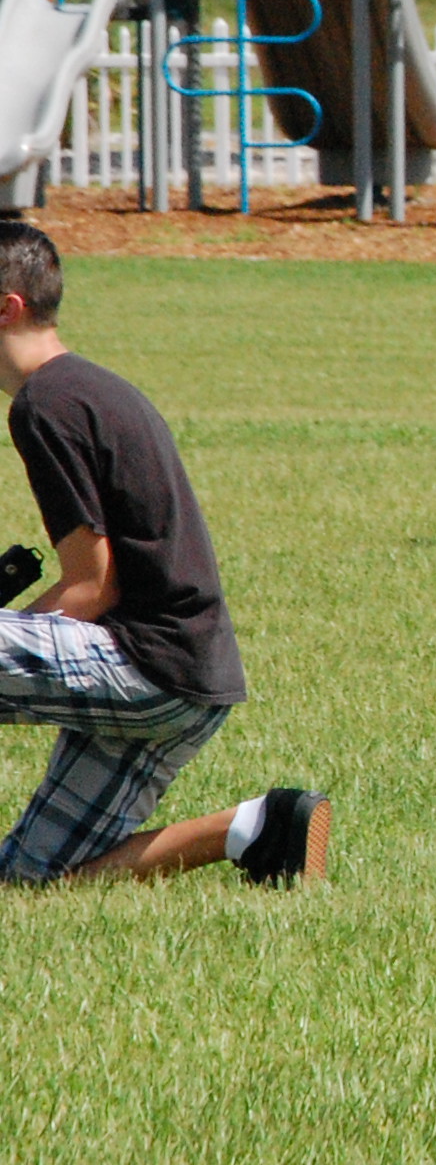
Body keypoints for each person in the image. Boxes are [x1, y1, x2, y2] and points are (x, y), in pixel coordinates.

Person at [0, 221, 326, 887]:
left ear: (8, 307)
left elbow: (92, 588)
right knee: (30, 882)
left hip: (141, 663)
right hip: (191, 679)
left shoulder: (46, 405)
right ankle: (256, 827)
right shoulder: (88, 388)